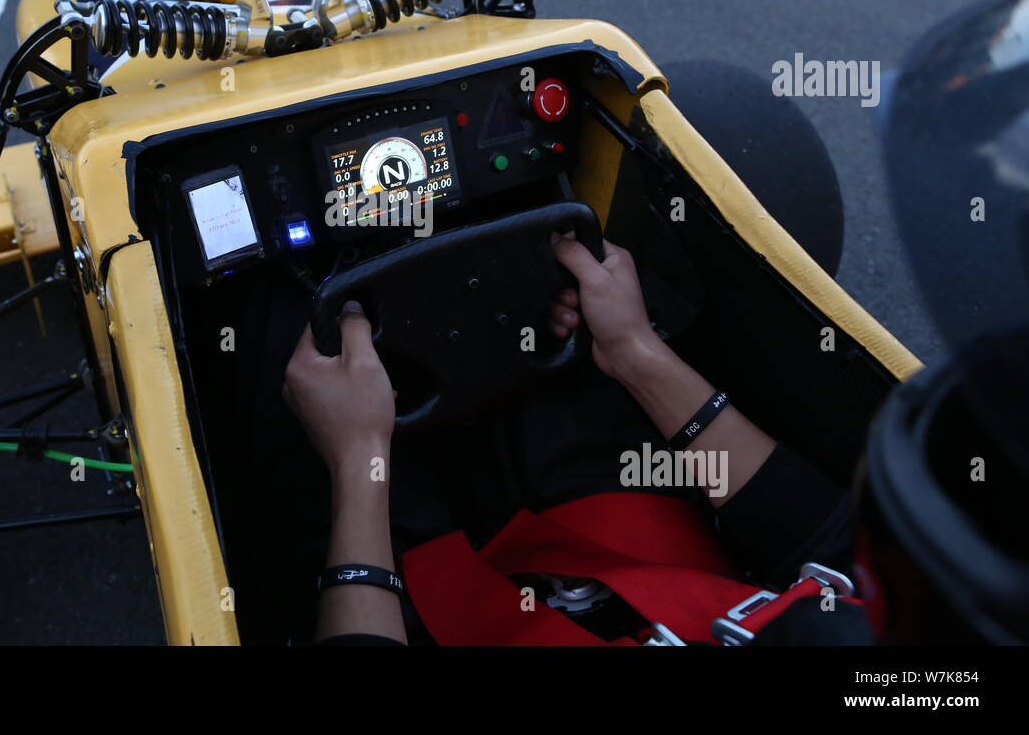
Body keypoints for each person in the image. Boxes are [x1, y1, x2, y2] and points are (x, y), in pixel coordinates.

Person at [282, 234, 861, 645]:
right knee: (564, 304)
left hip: (427, 608)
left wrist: (360, 460)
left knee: (285, 341)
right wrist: (635, 351)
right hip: (641, 553)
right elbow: (842, 552)